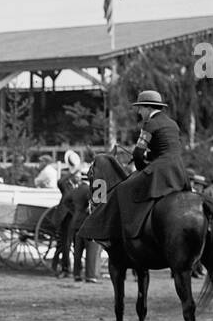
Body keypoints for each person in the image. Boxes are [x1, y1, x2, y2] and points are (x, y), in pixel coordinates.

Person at [78, 90, 189, 244]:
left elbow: (138, 154)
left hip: (160, 172)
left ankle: (114, 235)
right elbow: (168, 151)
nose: (138, 111)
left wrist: (142, 167)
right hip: (179, 172)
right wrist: (149, 157)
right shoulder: (173, 124)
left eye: (140, 108)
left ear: (148, 108)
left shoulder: (150, 124)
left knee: (121, 190)